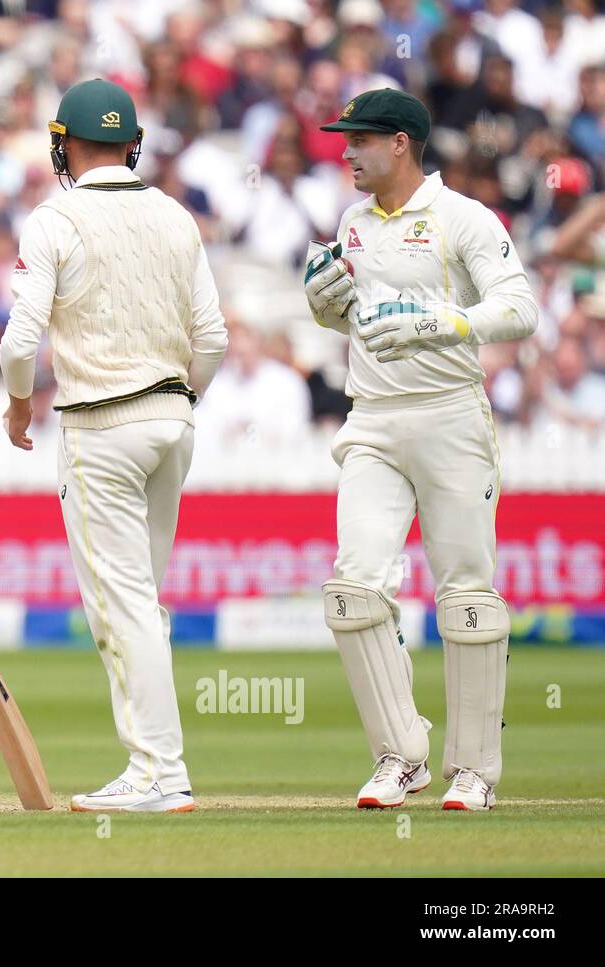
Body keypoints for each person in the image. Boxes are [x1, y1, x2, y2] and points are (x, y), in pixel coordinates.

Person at [303, 89, 538, 811]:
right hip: (372, 418)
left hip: (449, 420)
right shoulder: (350, 221)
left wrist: (446, 324)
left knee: (466, 594)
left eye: (360, 140)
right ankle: (401, 756)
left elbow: (521, 308)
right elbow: (346, 312)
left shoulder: (462, 217)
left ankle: (475, 770)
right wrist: (323, 304)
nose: (346, 151)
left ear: (400, 142)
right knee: (352, 590)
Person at [0, 79, 229, 813]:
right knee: (143, 604)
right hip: (172, 420)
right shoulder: (175, 215)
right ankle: (160, 767)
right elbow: (214, 340)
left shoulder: (54, 217)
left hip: (101, 426)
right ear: (134, 144)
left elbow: (18, 341)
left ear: (65, 144)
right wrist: (183, 401)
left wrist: (14, 404)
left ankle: (158, 773)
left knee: (120, 607)